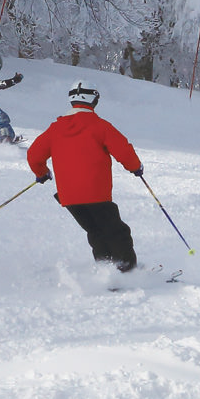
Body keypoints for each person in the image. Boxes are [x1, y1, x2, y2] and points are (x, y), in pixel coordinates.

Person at [28, 82, 144, 273]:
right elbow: (124, 150)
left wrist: (41, 173)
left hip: (69, 197)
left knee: (95, 231)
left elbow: (34, 155)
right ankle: (127, 271)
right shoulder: (100, 126)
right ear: (94, 100)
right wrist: (135, 167)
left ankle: (106, 269)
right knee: (116, 232)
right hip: (96, 193)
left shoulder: (55, 128)